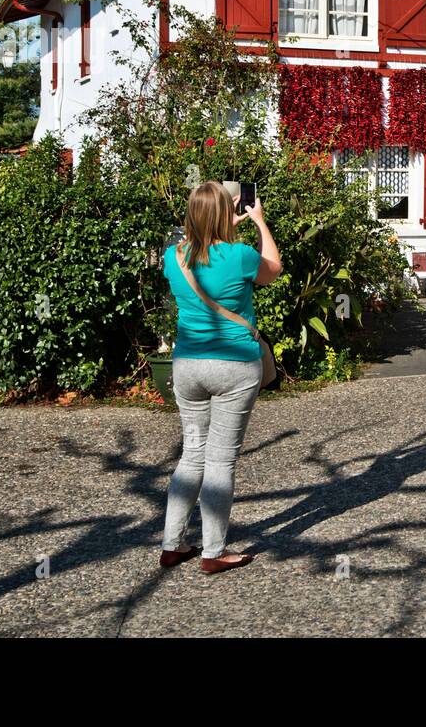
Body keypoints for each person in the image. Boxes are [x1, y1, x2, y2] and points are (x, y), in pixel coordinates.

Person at [159, 181, 282, 574]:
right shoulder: (241, 255)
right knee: (221, 459)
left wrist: (216, 224)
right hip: (233, 368)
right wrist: (259, 222)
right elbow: (272, 271)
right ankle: (213, 553)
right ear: (226, 214)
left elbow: (201, 254)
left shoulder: (171, 257)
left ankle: (171, 544)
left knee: (192, 454)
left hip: (188, 367)